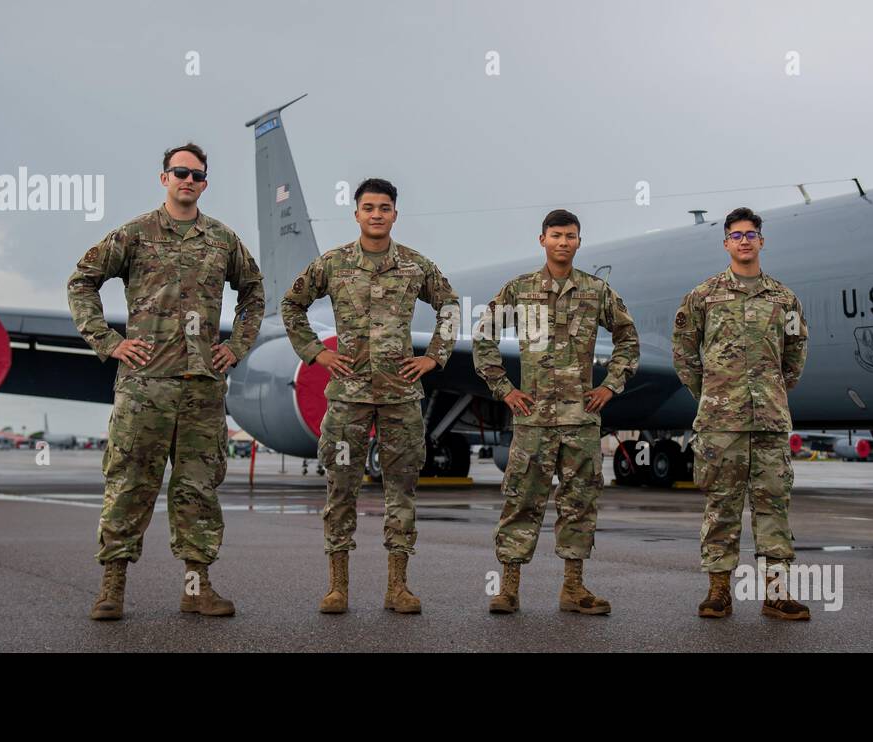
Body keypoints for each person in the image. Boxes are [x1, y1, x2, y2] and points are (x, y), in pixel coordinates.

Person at [68, 142, 264, 620]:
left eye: (196, 175)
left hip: (202, 389)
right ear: (164, 179)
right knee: (130, 484)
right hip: (144, 387)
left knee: (197, 490)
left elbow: (255, 294)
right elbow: (81, 282)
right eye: (180, 172)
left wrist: (236, 346)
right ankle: (112, 589)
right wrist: (109, 342)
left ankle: (197, 590)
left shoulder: (222, 240)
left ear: (205, 183)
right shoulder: (134, 234)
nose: (188, 180)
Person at [281, 178, 459, 614]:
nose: (376, 214)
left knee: (401, 491)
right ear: (356, 213)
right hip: (347, 397)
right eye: (368, 207)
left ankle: (398, 587)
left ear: (395, 214)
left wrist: (434, 357)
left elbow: (450, 306)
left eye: (384, 207)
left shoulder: (416, 267)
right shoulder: (334, 264)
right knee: (340, 488)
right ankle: (337, 587)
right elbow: (291, 304)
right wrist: (316, 354)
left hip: (400, 396)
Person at [474, 209, 639, 615]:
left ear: (579, 242)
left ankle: (573, 589)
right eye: (556, 235)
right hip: (532, 420)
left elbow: (628, 341)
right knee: (521, 502)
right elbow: (484, 338)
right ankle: (508, 589)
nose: (563, 242)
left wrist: (609, 385)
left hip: (581, 420)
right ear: (542, 239)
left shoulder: (596, 291)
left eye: (570, 236)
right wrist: (505, 390)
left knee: (579, 503)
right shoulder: (519, 290)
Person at [671, 206, 810, 620]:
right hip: (721, 424)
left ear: (761, 241)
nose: (744, 240)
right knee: (722, 506)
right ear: (726, 242)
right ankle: (718, 593)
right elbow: (683, 351)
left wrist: (771, 392)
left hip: (768, 422)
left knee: (773, 506)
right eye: (737, 234)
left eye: (751, 234)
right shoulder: (703, 296)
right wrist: (712, 394)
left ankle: (776, 593)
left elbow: (796, 354)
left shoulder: (783, 299)